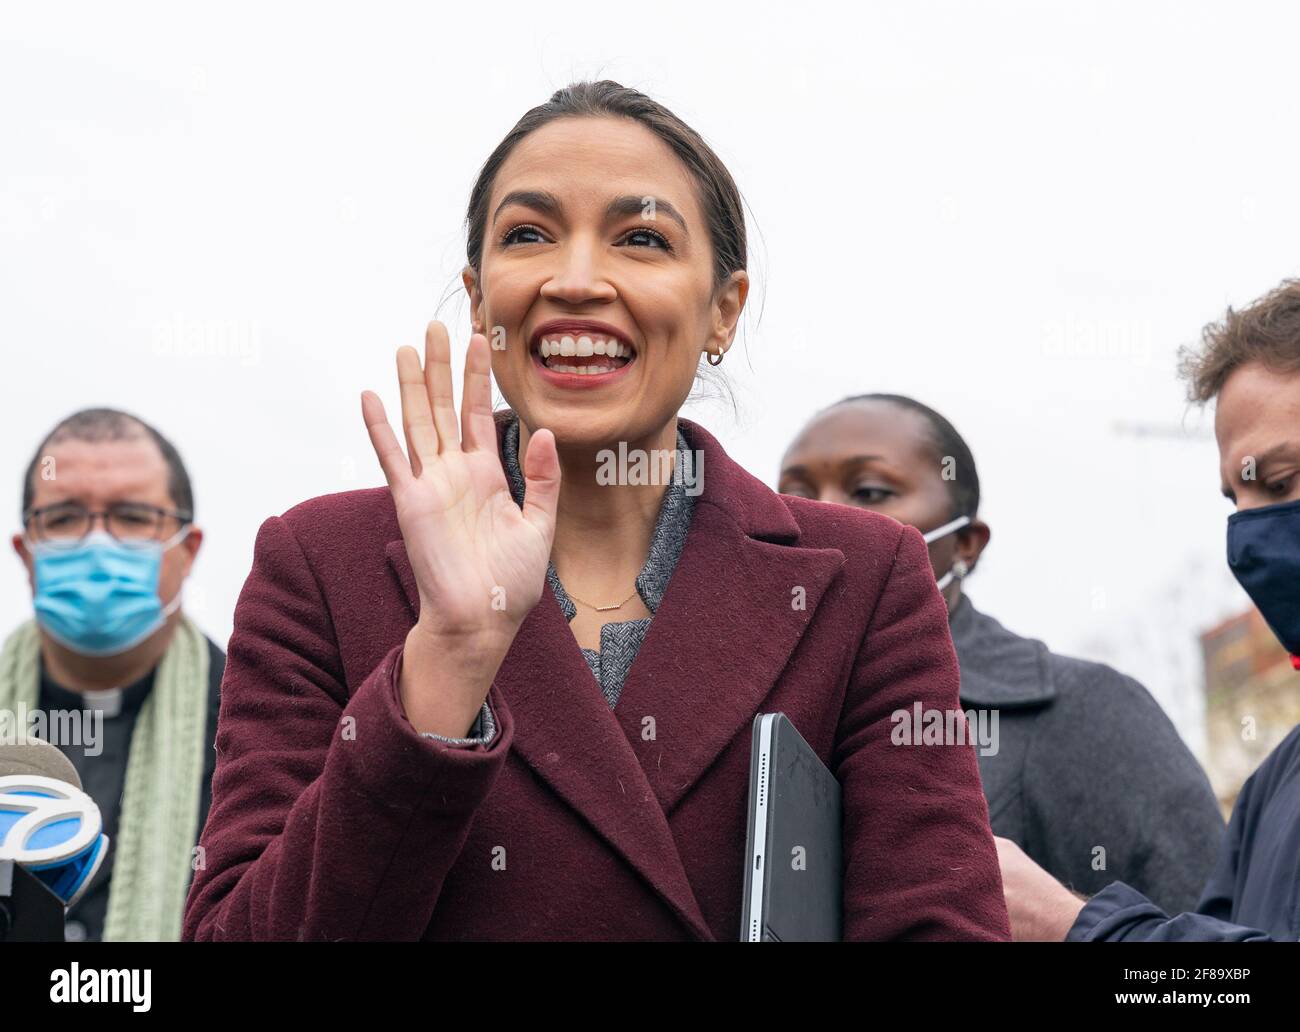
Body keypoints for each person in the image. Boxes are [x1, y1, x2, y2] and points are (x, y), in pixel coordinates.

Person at [182, 80, 1009, 941]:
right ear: (477, 298)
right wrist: (447, 663)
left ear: (723, 311)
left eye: (641, 239)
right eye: (529, 235)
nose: (576, 281)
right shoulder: (320, 564)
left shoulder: (867, 581)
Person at [779, 393, 1225, 914]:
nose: (822, 515)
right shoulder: (749, 708)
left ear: (966, 542)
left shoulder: (1081, 710)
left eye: (871, 491)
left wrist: (1065, 922)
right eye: (793, 496)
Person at [999, 277, 1300, 941]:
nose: (1247, 538)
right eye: (1235, 502)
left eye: (1278, 482)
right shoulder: (1273, 785)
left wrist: (1072, 926)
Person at [2, 408, 223, 942]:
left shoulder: (262, 728)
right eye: (63, 518)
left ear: (188, 550)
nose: (97, 543)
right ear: (26, 552)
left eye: (131, 516)